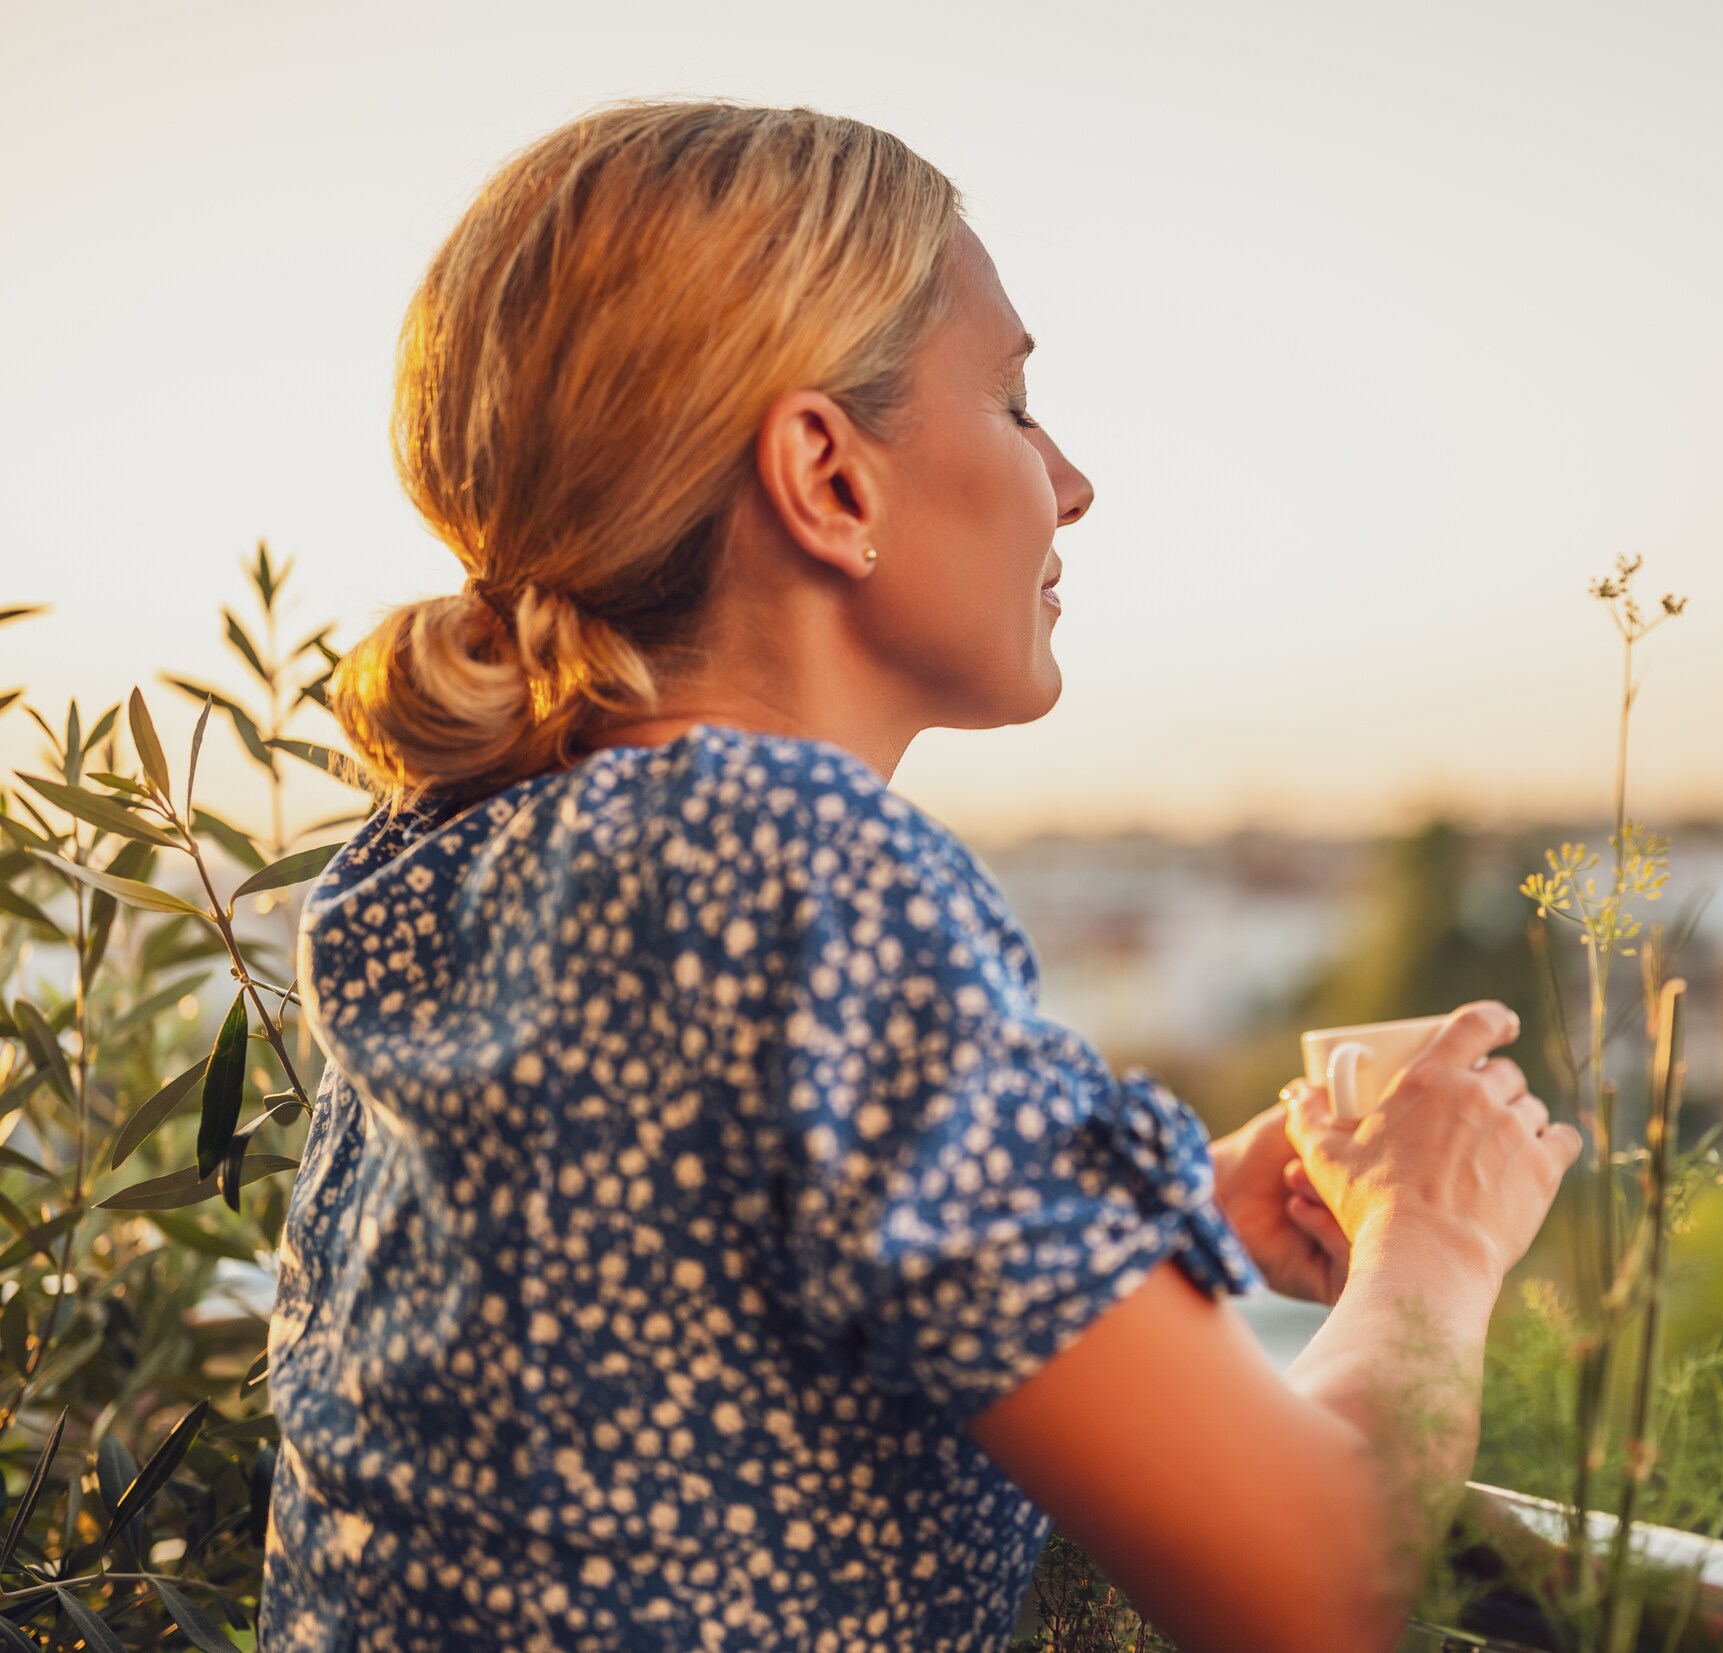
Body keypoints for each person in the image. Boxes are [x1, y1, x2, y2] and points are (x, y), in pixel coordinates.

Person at [263, 100, 1579, 1653]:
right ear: (829, 475)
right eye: (1017, 404)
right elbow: (1318, 1584)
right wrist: (1439, 1229)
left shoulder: (455, 849)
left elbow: (675, 1323)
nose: (1071, 479)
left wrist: (1165, 1219)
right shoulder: (793, 869)